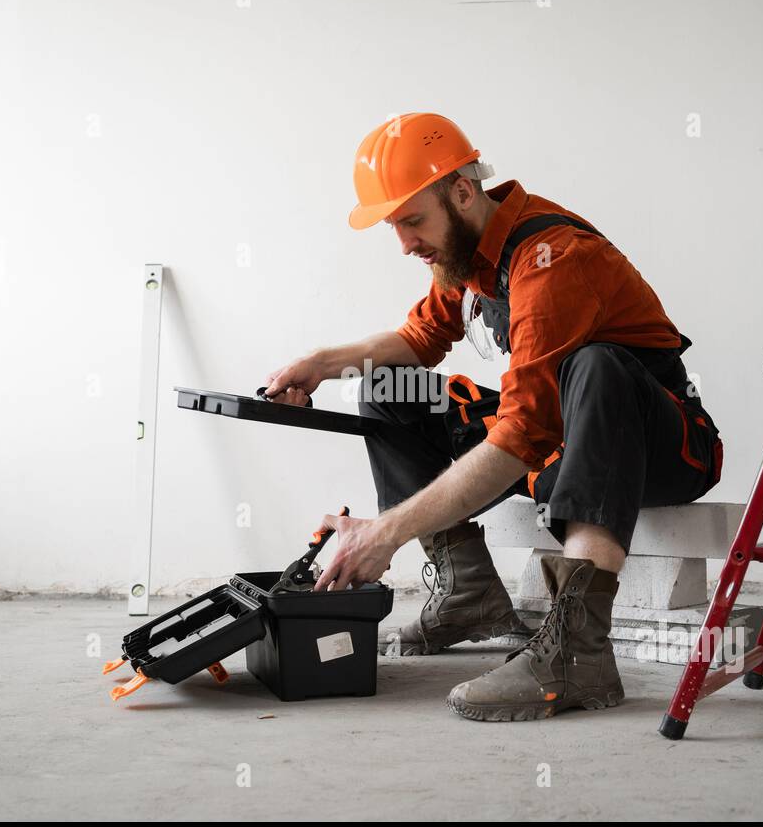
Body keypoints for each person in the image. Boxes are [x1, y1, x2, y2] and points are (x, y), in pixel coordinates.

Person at [263, 112, 723, 722]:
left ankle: (577, 652)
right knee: (390, 387)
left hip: (664, 443)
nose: (404, 243)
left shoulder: (552, 259)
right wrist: (323, 363)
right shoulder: (465, 250)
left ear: (460, 192)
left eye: (412, 220)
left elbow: (521, 436)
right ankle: (467, 592)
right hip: (559, 443)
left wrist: (386, 532)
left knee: (599, 367)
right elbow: (423, 336)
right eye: (394, 226)